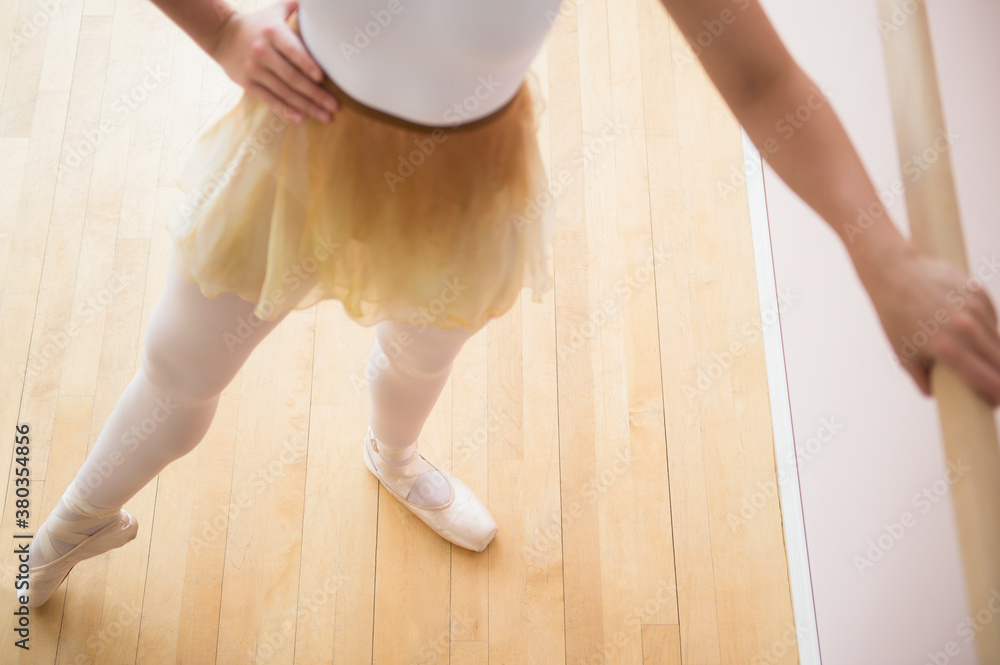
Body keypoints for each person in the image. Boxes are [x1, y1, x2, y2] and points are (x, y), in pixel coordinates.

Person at [20, 0, 1000, 610]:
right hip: (296, 141)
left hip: (465, 182)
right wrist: (224, 29)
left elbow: (760, 75)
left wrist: (884, 253)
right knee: (178, 373)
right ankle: (70, 523)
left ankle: (393, 455)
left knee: (420, 356)